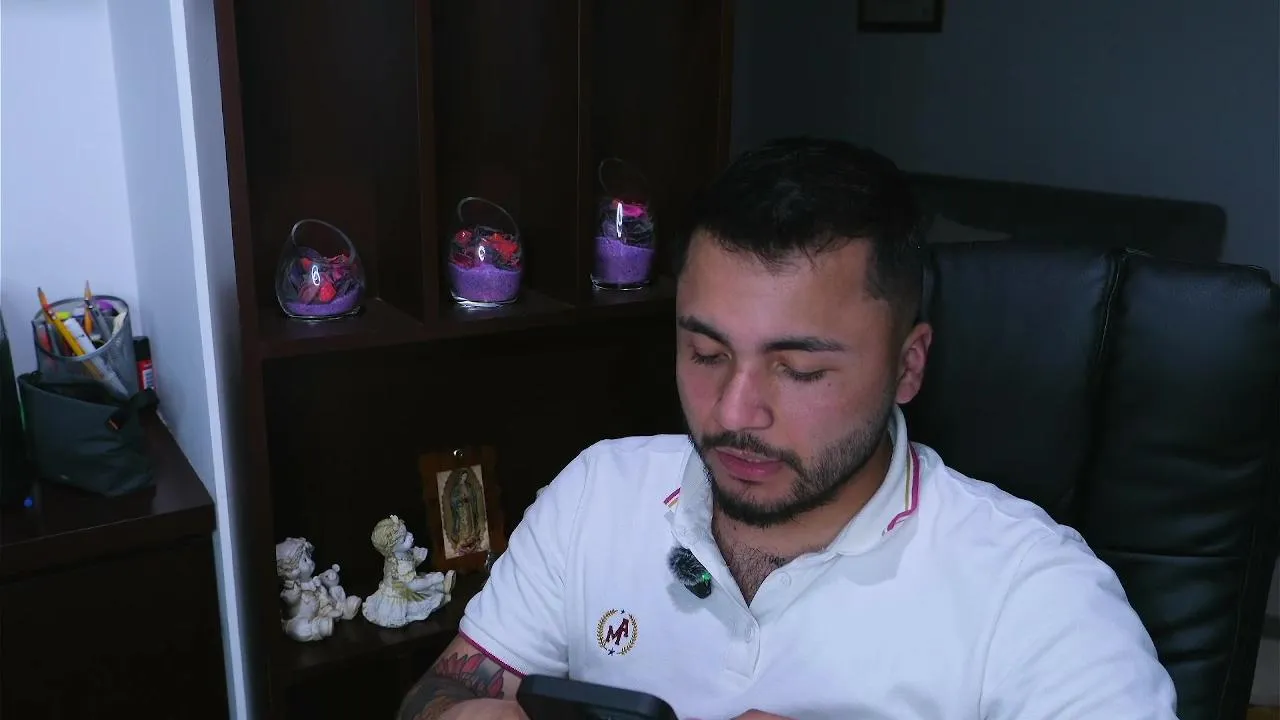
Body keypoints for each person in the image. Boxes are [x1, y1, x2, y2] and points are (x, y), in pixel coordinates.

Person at [396, 137, 1179, 720]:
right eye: (706, 353)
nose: (734, 413)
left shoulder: (1034, 593)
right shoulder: (598, 495)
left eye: (799, 369)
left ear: (908, 366)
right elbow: (443, 687)